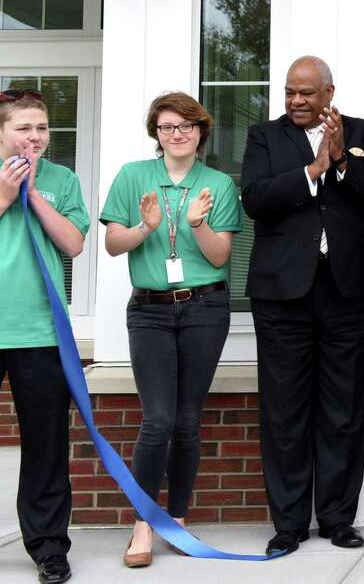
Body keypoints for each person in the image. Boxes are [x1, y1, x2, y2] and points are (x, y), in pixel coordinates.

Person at [242, 56, 364, 555]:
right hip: (281, 294)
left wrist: (344, 159)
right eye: (290, 91)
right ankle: (288, 524)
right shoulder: (264, 137)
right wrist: (313, 171)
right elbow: (254, 199)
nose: (296, 101)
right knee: (284, 411)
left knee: (342, 409)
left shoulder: (362, 132)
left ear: (329, 93)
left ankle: (336, 518)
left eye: (306, 93)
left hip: (347, 291)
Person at [100, 93, 242, 567]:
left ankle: (176, 519)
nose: (177, 134)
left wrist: (197, 224)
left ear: (201, 132)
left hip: (205, 308)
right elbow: (113, 244)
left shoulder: (218, 183)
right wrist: (145, 227)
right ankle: (144, 523)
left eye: (186, 126)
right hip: (150, 311)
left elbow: (220, 257)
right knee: (157, 419)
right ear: (155, 134)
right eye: (167, 127)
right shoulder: (133, 176)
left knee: (186, 420)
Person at [0, 89, 88, 584]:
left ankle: (49, 548)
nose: (35, 137)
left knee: (46, 446)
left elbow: (73, 244)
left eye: (42, 128)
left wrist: (33, 195)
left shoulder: (62, 180)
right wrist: (5, 194)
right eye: (23, 128)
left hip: (40, 330)